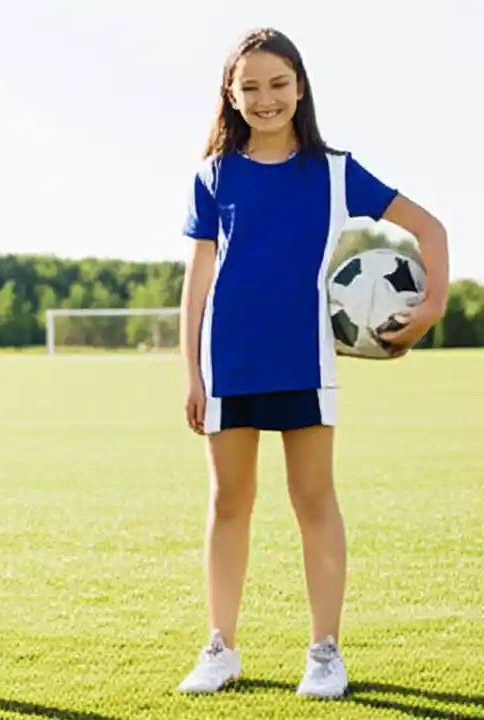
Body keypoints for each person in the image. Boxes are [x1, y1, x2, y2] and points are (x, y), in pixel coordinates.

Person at [175, 28, 448, 699]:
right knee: (228, 502)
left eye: (278, 84)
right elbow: (198, 280)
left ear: (300, 87)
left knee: (314, 501)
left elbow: (430, 228)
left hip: (305, 361)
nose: (266, 99)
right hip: (230, 363)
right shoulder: (213, 174)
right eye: (251, 88)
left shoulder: (335, 170)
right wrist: (191, 371)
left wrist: (433, 303)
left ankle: (324, 652)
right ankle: (221, 647)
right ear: (231, 97)